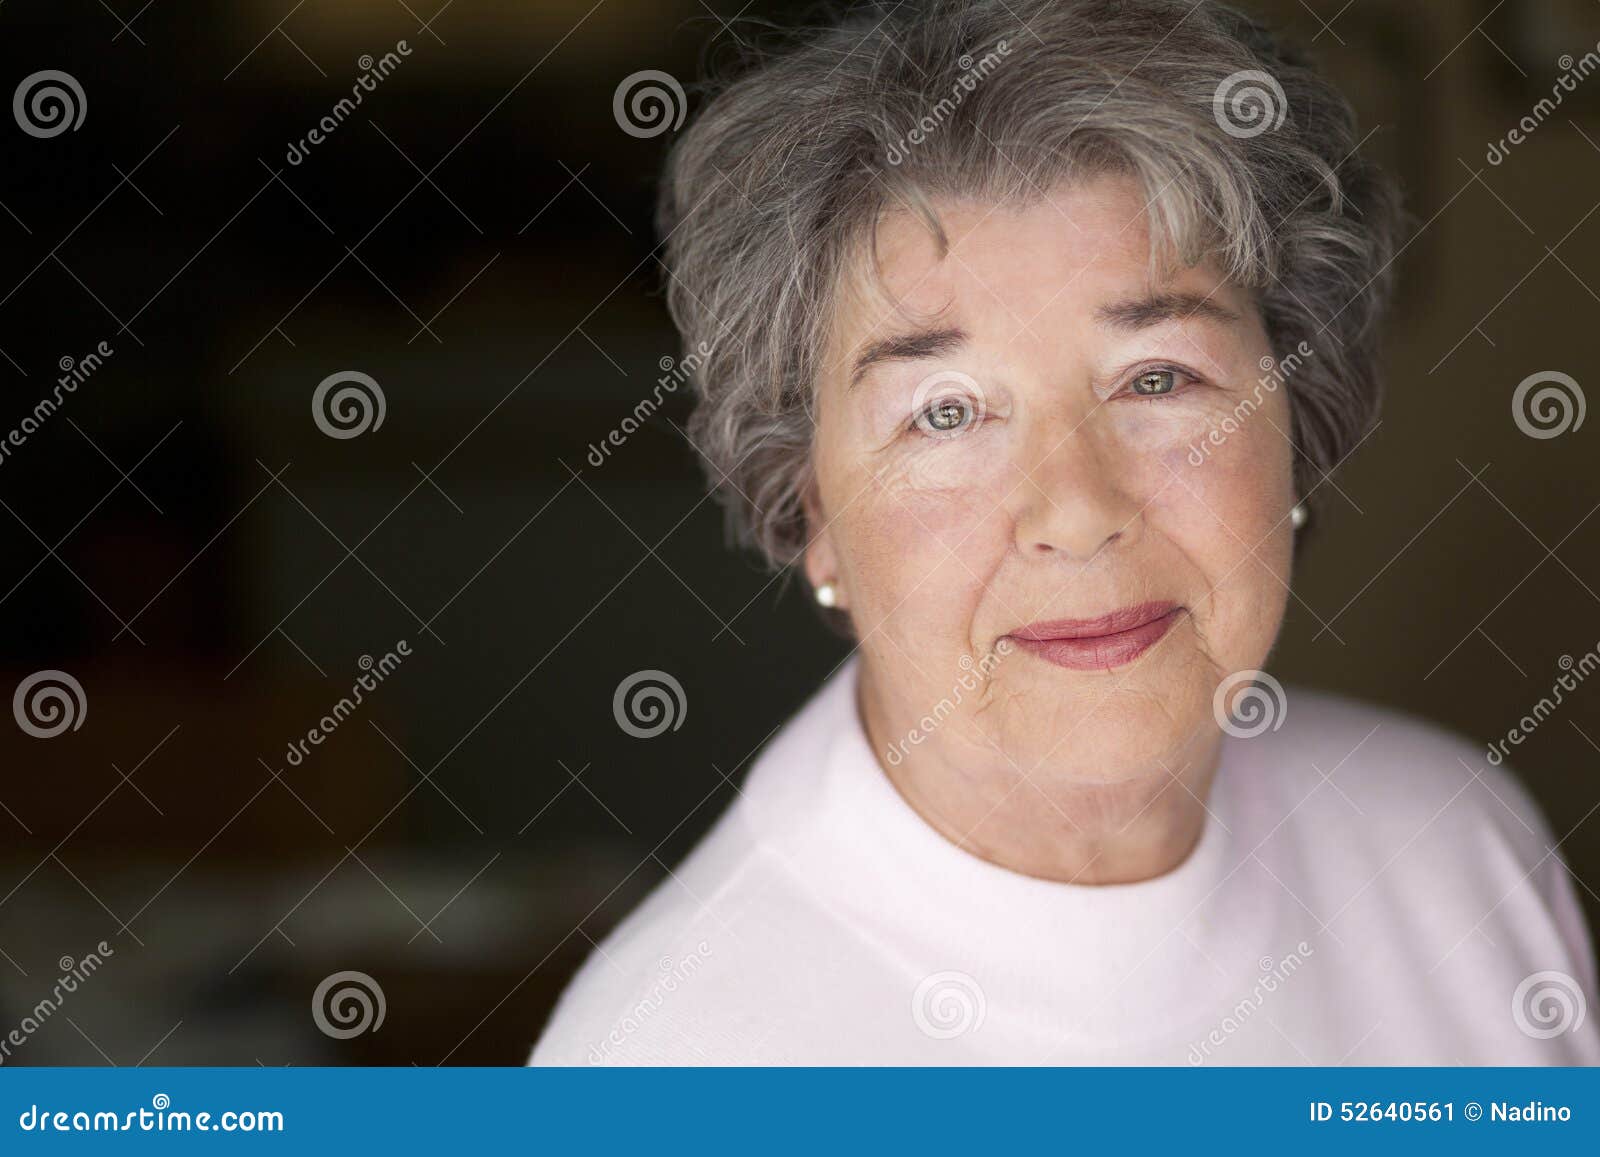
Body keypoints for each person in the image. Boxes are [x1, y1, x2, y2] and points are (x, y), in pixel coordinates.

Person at [531, 0, 1600, 1064]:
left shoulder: (1454, 852)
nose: (1077, 509)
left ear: (1293, 421)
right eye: (943, 412)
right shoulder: (664, 1061)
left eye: (1158, 377)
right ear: (811, 510)